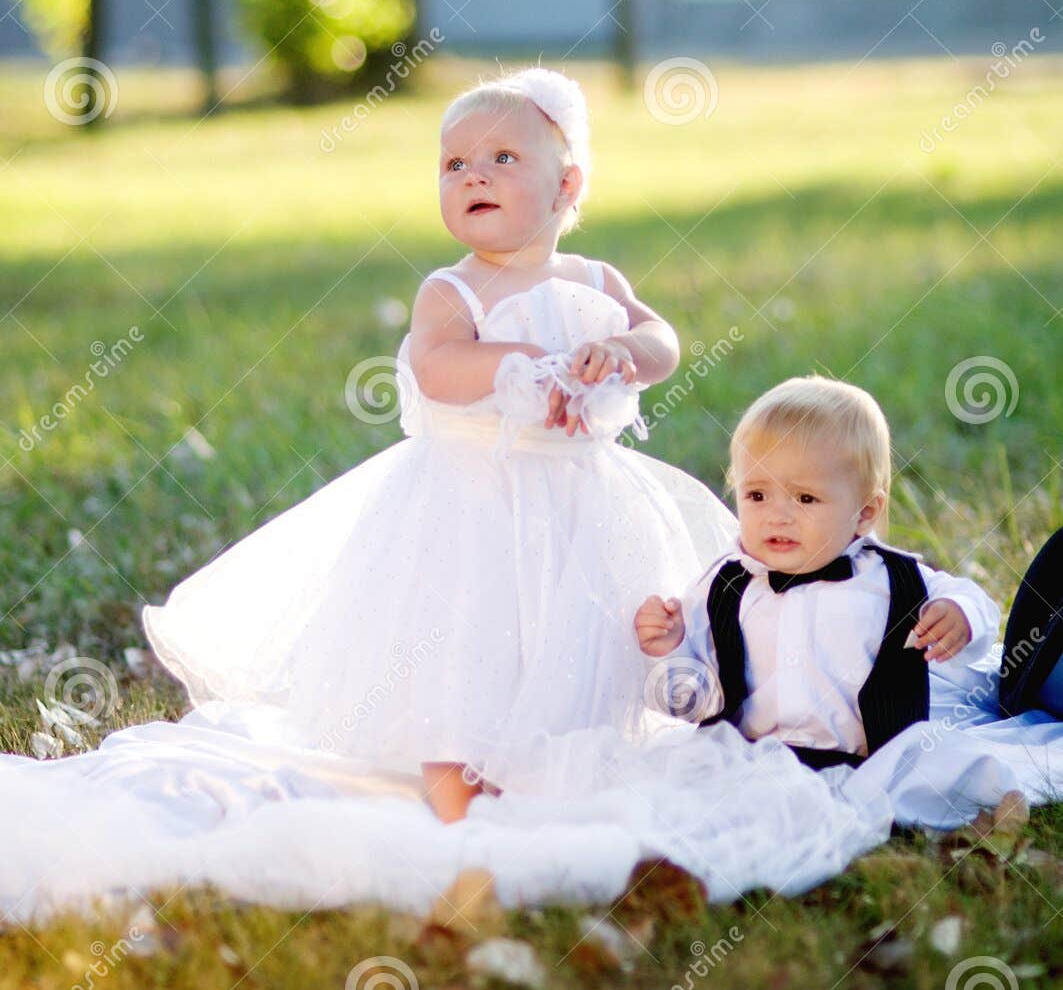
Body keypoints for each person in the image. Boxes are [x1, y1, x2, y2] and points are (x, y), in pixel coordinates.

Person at [142, 66, 736, 823]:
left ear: (566, 186)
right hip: (470, 501)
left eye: (501, 160)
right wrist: (516, 366)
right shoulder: (451, 291)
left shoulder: (595, 277)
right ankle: (454, 784)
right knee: (462, 642)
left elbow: (663, 339)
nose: (472, 175)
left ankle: (568, 755)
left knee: (576, 632)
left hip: (581, 496)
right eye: (453, 164)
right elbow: (437, 367)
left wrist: (622, 351)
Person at [635, 375, 999, 770]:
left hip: (875, 766)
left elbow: (977, 605)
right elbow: (694, 703)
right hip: (749, 767)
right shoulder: (722, 589)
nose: (778, 515)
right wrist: (672, 651)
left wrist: (960, 612)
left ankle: (986, 812)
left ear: (865, 512)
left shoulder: (895, 579)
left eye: (805, 498)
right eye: (757, 495)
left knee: (953, 771)